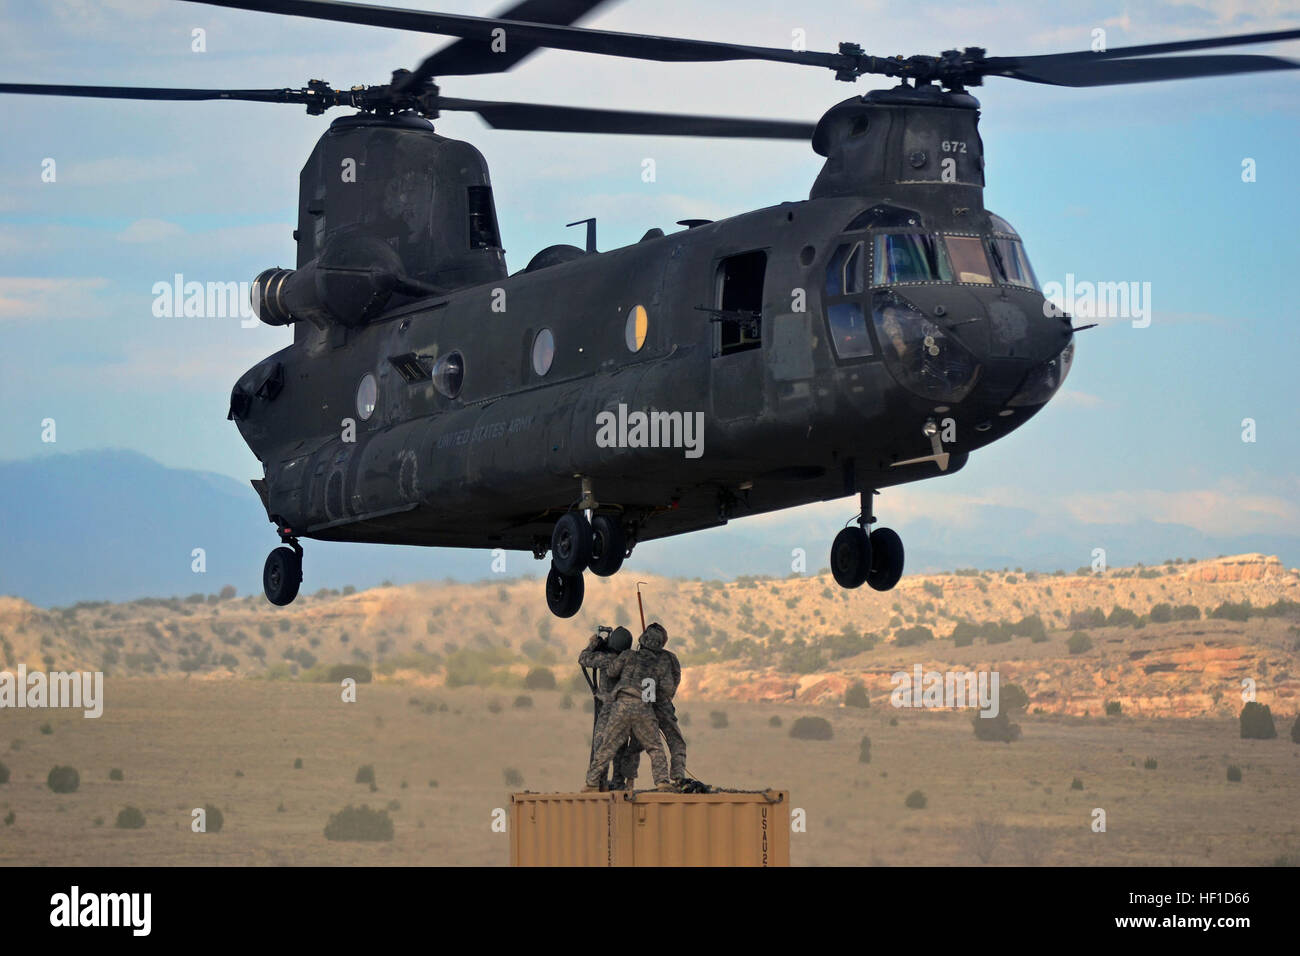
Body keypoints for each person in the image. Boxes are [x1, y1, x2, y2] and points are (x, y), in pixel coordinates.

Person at [583, 623, 674, 791]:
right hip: (644, 707)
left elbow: (611, 672)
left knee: (606, 747)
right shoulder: (659, 665)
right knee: (654, 747)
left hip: (621, 705)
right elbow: (666, 689)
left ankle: (592, 783)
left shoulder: (628, 655)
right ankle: (662, 782)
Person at [618, 623, 688, 785]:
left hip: (643, 705)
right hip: (661, 705)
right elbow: (675, 681)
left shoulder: (636, 657)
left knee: (635, 744)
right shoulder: (670, 658)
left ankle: (629, 781)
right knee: (676, 742)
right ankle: (678, 777)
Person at [577, 626, 638, 789]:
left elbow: (583, 659)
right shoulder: (630, 661)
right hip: (626, 709)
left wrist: (592, 644)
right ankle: (619, 783)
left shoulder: (606, 659)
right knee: (620, 746)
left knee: (601, 746)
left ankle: (599, 783)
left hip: (607, 709)